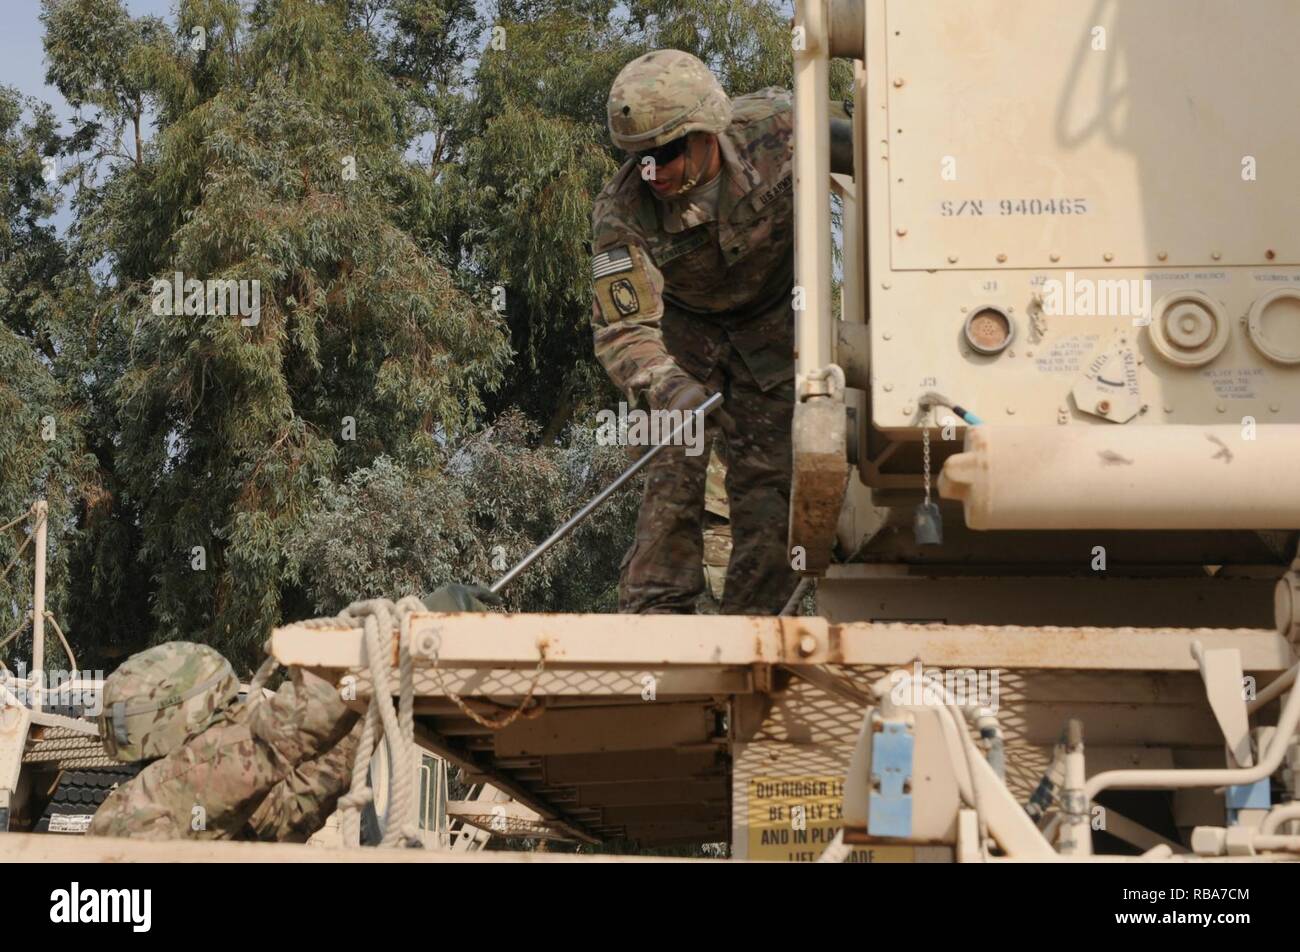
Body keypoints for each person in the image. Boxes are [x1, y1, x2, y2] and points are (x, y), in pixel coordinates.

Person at [589, 49, 800, 615]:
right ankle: (659, 621)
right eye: (638, 159)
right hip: (685, 339)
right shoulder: (621, 212)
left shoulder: (782, 129)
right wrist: (668, 388)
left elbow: (882, 168)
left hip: (778, 328)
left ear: (708, 132)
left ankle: (757, 636)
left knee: (773, 489)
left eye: (665, 152)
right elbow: (622, 328)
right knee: (671, 463)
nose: (651, 171)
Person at [89, 584, 496, 841]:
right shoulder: (140, 808)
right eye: (227, 715)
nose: (238, 720)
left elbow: (309, 791)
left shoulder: (217, 811)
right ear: (185, 723)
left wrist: (375, 689)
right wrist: (409, 627)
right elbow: (270, 740)